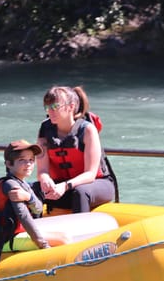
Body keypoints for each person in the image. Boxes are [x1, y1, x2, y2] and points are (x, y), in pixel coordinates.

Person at [34, 85, 116, 213]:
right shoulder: (45, 129)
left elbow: (90, 174)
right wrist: (45, 179)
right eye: (47, 107)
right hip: (62, 187)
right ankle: (26, 231)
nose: (50, 111)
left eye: (55, 107)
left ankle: (82, 231)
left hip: (96, 185)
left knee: (80, 192)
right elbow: (42, 170)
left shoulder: (87, 130)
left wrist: (65, 186)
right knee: (29, 189)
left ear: (71, 106)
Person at [0, 140, 52, 250]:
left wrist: (28, 197)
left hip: (17, 236)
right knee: (64, 239)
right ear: (9, 164)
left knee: (61, 235)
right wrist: (42, 244)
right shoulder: (11, 185)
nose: (28, 164)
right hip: (7, 241)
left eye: (31, 160)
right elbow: (23, 216)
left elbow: (38, 209)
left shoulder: (23, 184)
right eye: (22, 160)